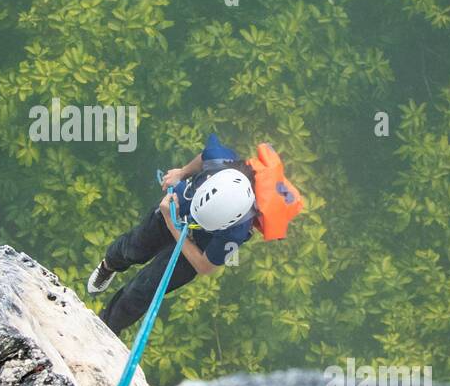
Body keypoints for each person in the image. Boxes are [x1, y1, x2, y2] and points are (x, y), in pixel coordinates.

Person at [87, 133, 302, 336]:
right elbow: (203, 157)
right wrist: (181, 173)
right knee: (132, 248)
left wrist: (174, 226)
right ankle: (108, 266)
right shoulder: (220, 162)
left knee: (144, 290)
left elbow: (205, 266)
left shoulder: (235, 232)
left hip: (198, 246)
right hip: (176, 208)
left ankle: (104, 327)